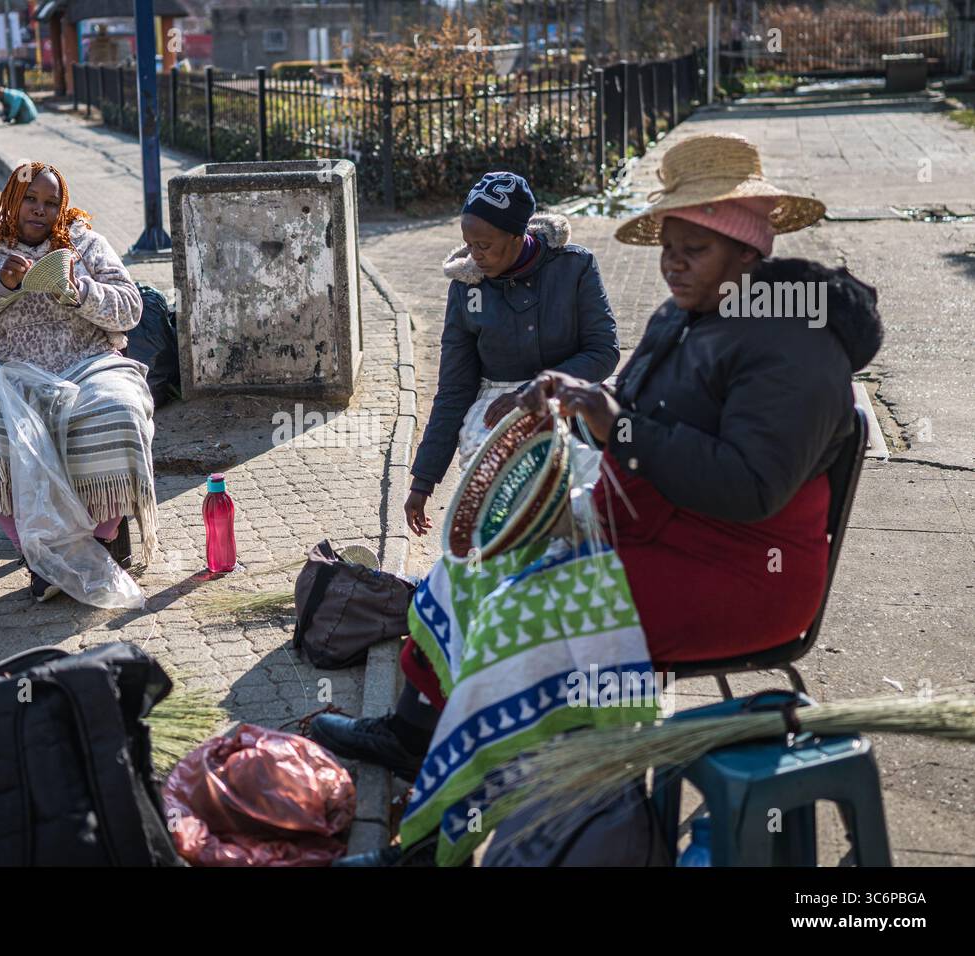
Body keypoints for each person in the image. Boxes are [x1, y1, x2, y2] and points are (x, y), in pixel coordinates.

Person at [314, 133, 883, 866]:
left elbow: (750, 486)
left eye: (695, 250)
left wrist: (619, 425)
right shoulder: (686, 313)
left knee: (523, 619)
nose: (673, 264)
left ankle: (434, 842)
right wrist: (574, 396)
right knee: (470, 566)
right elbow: (630, 396)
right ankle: (416, 737)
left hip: (740, 576)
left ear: (748, 253)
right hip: (648, 529)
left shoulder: (794, 344)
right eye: (668, 247)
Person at [0, 161, 152, 601]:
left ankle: (98, 544)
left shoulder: (85, 245)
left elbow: (130, 309)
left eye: (51, 203)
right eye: (30, 199)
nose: (40, 210)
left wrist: (78, 290)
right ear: (11, 200)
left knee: (117, 411)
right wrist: (0, 284)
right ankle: (38, 554)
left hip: (84, 364)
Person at [404, 171, 619, 538]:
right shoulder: (465, 289)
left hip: (568, 388)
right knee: (492, 458)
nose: (475, 255)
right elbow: (455, 389)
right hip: (495, 397)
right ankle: (503, 567)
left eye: (485, 245)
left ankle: (583, 564)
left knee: (587, 466)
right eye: (469, 244)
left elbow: (603, 351)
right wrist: (423, 480)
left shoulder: (574, 267)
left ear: (519, 235)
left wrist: (537, 390)